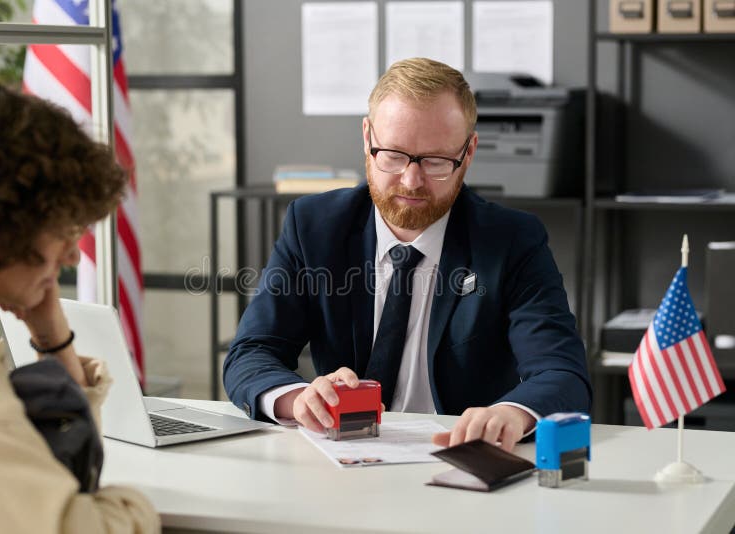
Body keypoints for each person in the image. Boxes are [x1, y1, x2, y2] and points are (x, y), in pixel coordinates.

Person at [223, 58, 591, 452]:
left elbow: (562, 372)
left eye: (436, 161)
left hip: (460, 457)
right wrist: (298, 400)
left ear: (468, 153)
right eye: (394, 155)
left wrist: (513, 414)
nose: (411, 181)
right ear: (367, 138)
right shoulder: (314, 227)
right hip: (341, 456)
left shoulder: (513, 240)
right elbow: (252, 352)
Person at [0, 80, 159, 533]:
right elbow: (70, 523)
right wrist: (138, 508)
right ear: (2, 225)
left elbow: (64, 459)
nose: (73, 255)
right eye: (62, 228)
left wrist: (52, 336)